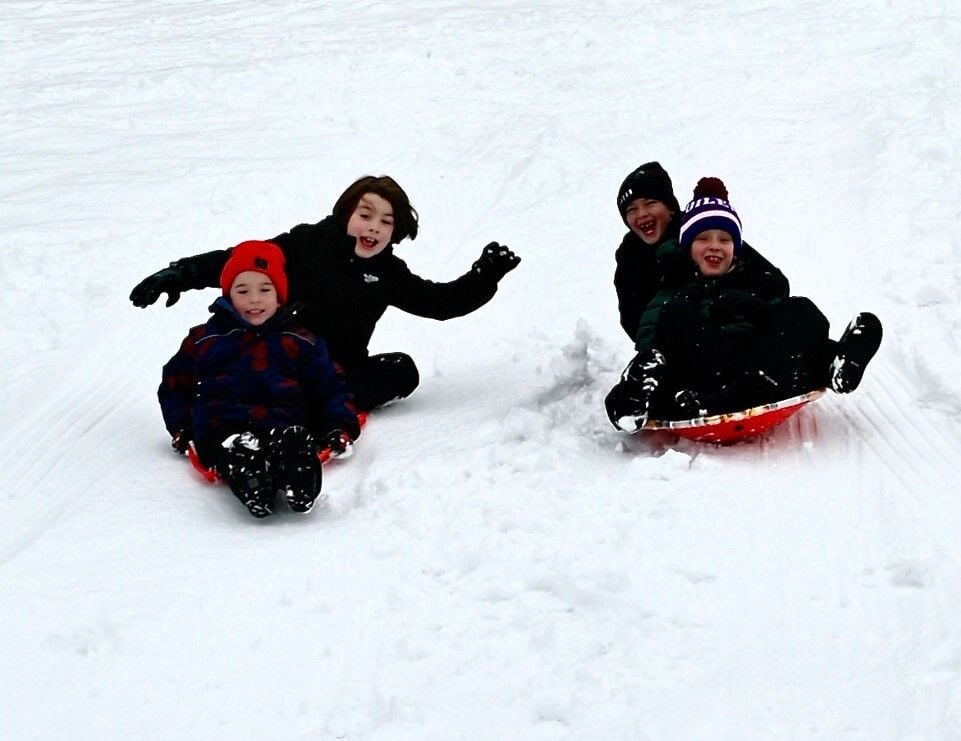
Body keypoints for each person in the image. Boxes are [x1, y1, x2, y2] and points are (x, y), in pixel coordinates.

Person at [133, 175, 521, 411]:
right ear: (347, 214)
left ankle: (303, 400)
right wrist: (180, 273)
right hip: (281, 355)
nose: (373, 227)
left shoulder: (389, 273)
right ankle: (267, 396)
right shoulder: (308, 243)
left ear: (396, 230)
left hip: (337, 371)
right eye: (365, 215)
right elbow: (243, 261)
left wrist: (485, 275)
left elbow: (441, 303)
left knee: (403, 370)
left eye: (386, 221)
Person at [606, 177, 883, 432]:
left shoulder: (750, 280)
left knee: (799, 309)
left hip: (759, 371)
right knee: (673, 326)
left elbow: (778, 314)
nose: (714, 246)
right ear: (687, 249)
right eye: (702, 239)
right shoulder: (673, 294)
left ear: (736, 249)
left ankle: (835, 364)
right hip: (699, 383)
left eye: (724, 240)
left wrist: (754, 305)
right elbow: (655, 341)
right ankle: (630, 405)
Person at [158, 240, 361, 518]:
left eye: (265, 290)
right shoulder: (206, 339)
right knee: (235, 449)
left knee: (291, 442)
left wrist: (338, 426)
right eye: (243, 291)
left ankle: (297, 473)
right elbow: (174, 383)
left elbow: (330, 386)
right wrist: (181, 426)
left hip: (282, 421)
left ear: (279, 296)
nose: (255, 299)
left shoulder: (301, 341)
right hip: (222, 424)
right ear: (229, 297)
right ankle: (253, 484)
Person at [613, 161, 787, 342]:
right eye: (631, 209)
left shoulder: (701, 226)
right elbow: (632, 318)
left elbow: (773, 281)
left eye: (650, 203)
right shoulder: (630, 257)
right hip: (676, 344)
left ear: (670, 208)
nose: (641, 214)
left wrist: (740, 301)